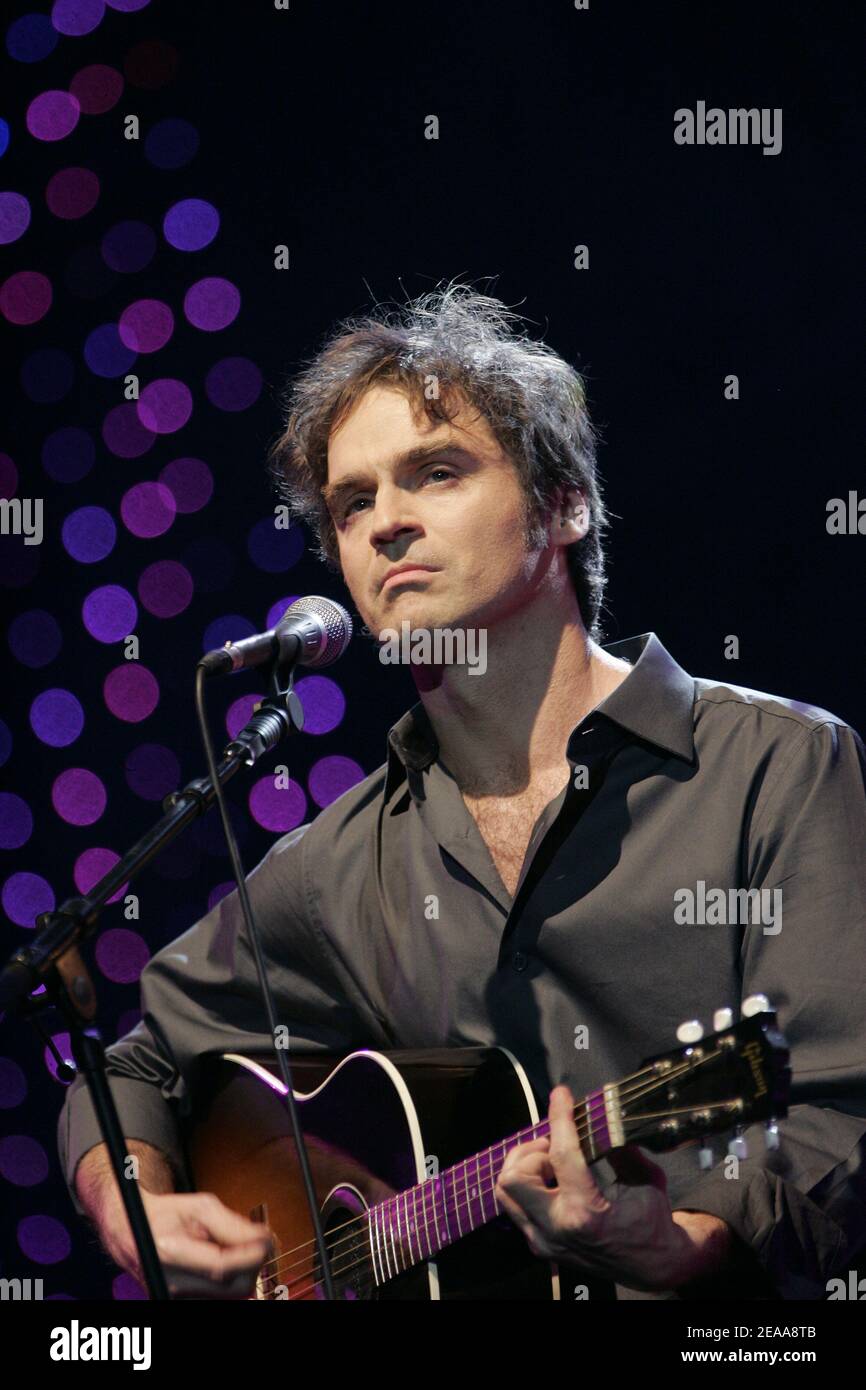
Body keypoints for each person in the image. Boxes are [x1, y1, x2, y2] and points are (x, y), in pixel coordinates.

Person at [58, 284, 866, 1300]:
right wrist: (131, 1202)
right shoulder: (336, 863)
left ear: (562, 504)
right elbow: (132, 1069)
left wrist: (676, 1243)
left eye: (434, 474)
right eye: (352, 504)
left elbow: (841, 1115)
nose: (385, 523)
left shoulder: (774, 767)